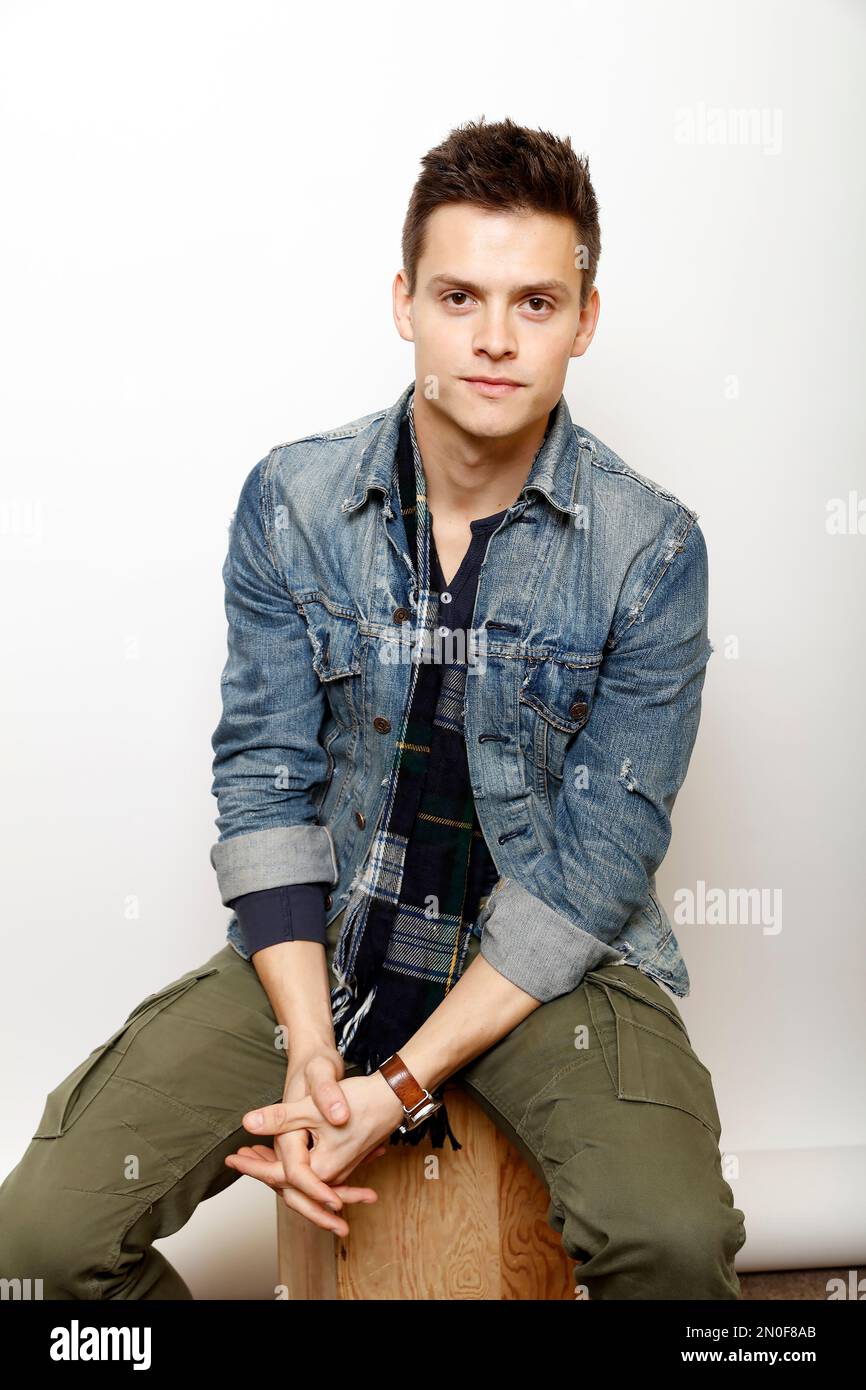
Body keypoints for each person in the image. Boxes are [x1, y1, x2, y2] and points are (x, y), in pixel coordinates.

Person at [0, 116, 746, 1299]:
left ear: (584, 319)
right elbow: (263, 778)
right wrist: (310, 1045)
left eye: (535, 304)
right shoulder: (292, 501)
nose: (494, 340)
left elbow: (600, 863)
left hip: (545, 964)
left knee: (668, 1239)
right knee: (36, 1251)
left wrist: (392, 1086)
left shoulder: (650, 548)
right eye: (459, 297)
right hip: (330, 938)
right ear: (402, 301)